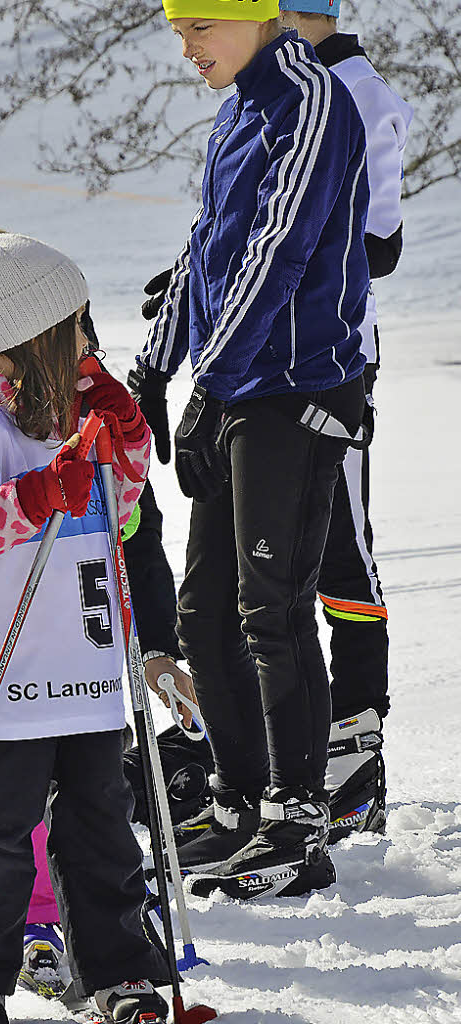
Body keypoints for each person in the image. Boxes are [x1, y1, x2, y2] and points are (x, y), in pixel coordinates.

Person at [137, 0, 370, 899]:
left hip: (295, 389)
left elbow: (278, 253)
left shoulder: (309, 102)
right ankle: (236, 801)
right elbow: (208, 245)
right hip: (238, 384)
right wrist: (156, 362)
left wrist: (210, 384)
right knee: (204, 612)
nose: (185, 49)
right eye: (176, 32)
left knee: (272, 609)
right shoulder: (239, 105)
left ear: (252, 15)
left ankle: (295, 826)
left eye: (199, 27)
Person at [0, 232, 169, 1024]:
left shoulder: (79, 416)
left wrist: (128, 440)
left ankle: (119, 974)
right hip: (3, 675)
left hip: (84, 663)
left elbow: (118, 516)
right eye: (75, 325)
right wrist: (32, 495)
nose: (89, 339)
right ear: (28, 340)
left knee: (102, 828)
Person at [278, 0, 412, 841]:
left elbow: (379, 244)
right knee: (266, 564)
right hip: (265, 366)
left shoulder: (357, 91)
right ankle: (284, 754)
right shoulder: (279, 91)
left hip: (331, 363)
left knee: (339, 550)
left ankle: (356, 748)